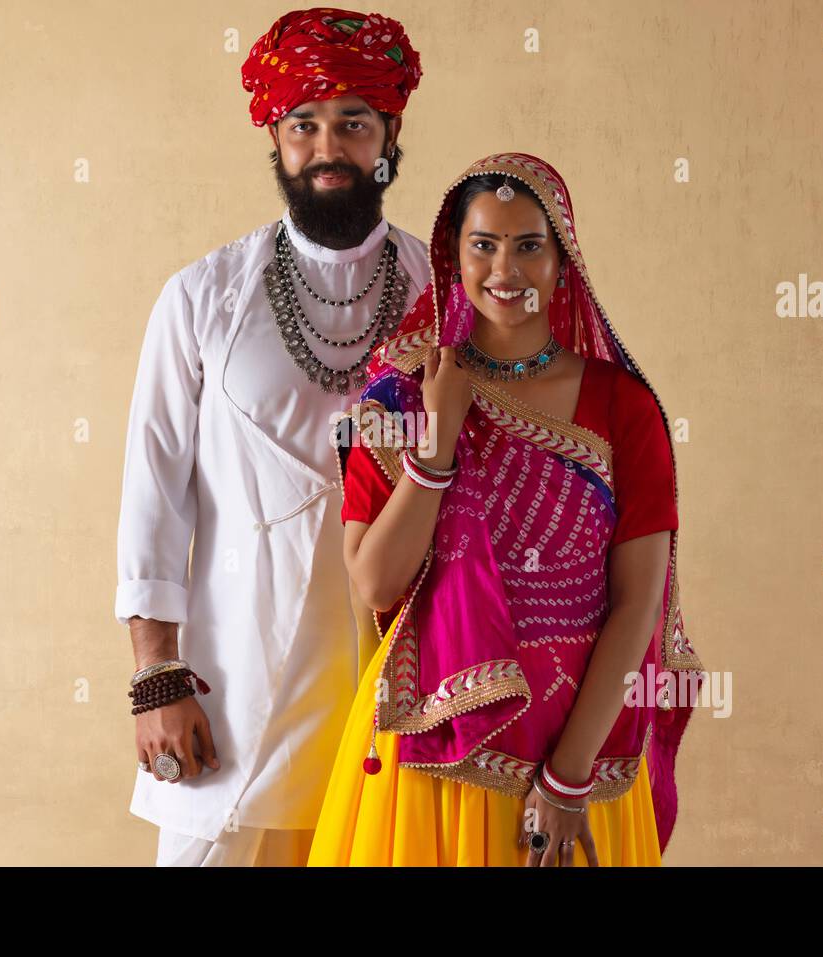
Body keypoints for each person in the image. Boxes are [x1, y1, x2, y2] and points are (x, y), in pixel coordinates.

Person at [308, 152, 706, 866]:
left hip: (579, 750)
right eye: (483, 245)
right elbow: (375, 582)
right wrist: (437, 442)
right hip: (439, 741)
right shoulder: (401, 399)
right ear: (452, 256)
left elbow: (639, 601)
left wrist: (568, 775)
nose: (505, 269)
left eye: (529, 245)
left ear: (563, 261)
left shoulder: (624, 406)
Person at [115, 7, 426, 866]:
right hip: (235, 687)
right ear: (277, 139)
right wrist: (156, 678)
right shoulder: (202, 296)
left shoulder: (443, 290)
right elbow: (153, 497)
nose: (329, 147)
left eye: (353, 123)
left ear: (388, 134)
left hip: (396, 689)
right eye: (304, 125)